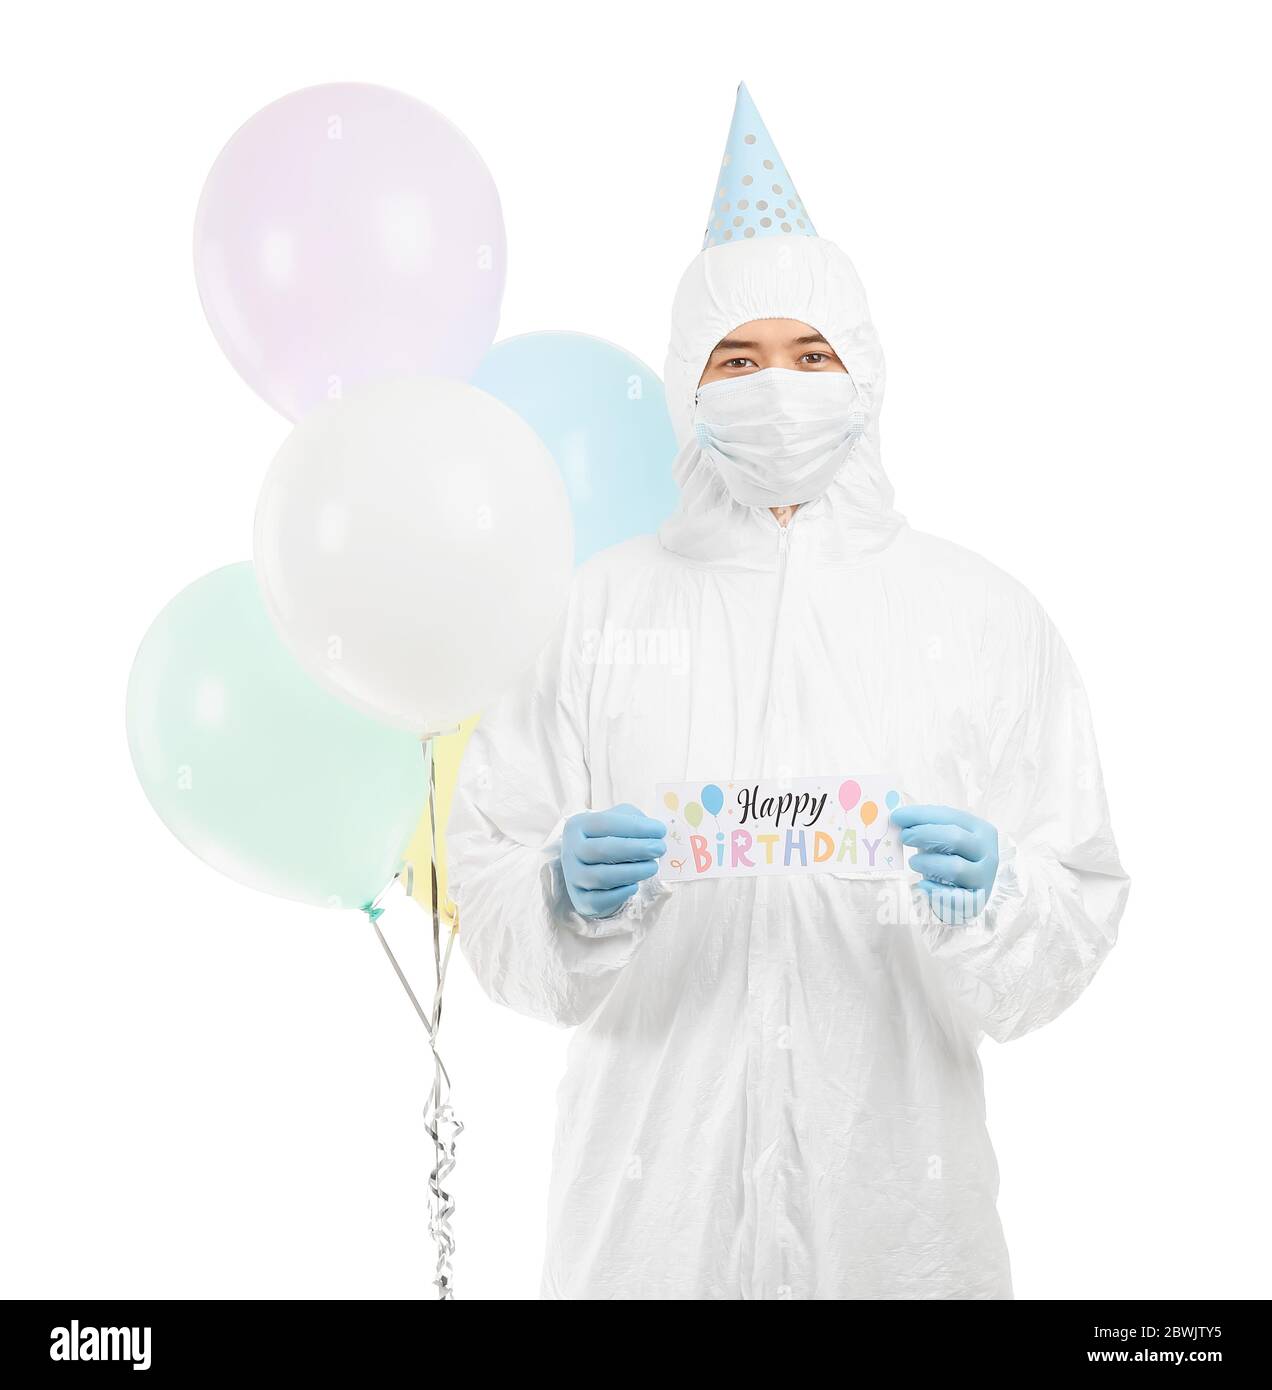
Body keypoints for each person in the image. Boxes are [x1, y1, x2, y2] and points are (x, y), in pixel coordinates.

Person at [447, 83, 1129, 1300]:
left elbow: (1075, 895)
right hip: (646, 1222)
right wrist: (556, 892)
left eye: (811, 354)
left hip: (902, 1226)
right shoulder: (596, 612)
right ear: (686, 386)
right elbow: (490, 879)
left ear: (864, 371)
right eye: (738, 357)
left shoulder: (980, 619)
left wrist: (999, 897)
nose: (778, 385)